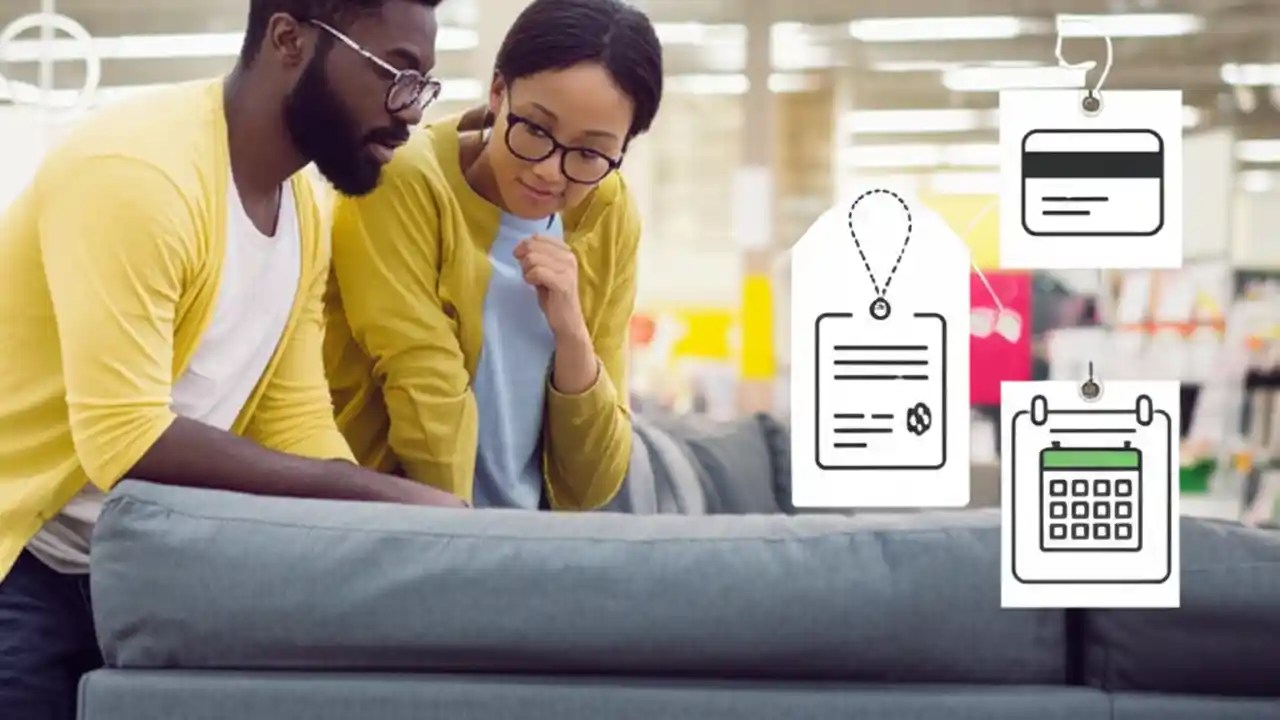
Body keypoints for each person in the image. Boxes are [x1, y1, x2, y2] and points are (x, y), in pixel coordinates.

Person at [0, 1, 466, 716]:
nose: (408, 113)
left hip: (132, 568)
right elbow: (122, 439)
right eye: (395, 75)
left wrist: (380, 523)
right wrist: (381, 493)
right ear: (288, 39)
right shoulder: (138, 175)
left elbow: (293, 412)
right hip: (24, 563)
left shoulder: (302, 212)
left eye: (422, 86)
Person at [325, 0, 664, 510]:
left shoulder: (607, 215)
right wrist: (473, 551)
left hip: (524, 545)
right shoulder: (405, 180)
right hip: (398, 526)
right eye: (534, 128)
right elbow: (426, 393)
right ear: (499, 92)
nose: (551, 171)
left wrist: (572, 333)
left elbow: (595, 480)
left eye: (590, 153)